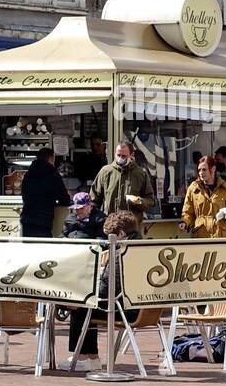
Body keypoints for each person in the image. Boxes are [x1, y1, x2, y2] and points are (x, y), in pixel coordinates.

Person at [64, 209, 139, 371]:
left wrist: (92, 285)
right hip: (140, 307)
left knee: (80, 304)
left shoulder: (121, 253)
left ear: (119, 234)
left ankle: (84, 357)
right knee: (85, 304)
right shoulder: (141, 248)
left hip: (122, 309)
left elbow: (106, 292)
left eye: (109, 236)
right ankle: (92, 357)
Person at [90, 141, 156, 228]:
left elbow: (150, 200)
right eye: (118, 155)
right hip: (110, 226)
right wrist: (97, 220)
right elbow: (94, 199)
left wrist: (137, 201)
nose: (120, 158)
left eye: (124, 156)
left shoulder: (140, 173)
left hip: (131, 227)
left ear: (131, 155)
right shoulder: (106, 172)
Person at [179, 155, 226, 239]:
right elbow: (187, 212)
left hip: (220, 234)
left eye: (204, 169)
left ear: (213, 169)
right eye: (199, 170)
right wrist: (184, 222)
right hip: (201, 234)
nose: (201, 173)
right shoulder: (193, 188)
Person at [20, 148, 70, 238]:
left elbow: (24, 194)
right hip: (43, 221)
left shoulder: (28, 174)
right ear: (51, 159)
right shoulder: (53, 175)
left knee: (29, 249)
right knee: (44, 248)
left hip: (27, 219)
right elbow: (65, 199)